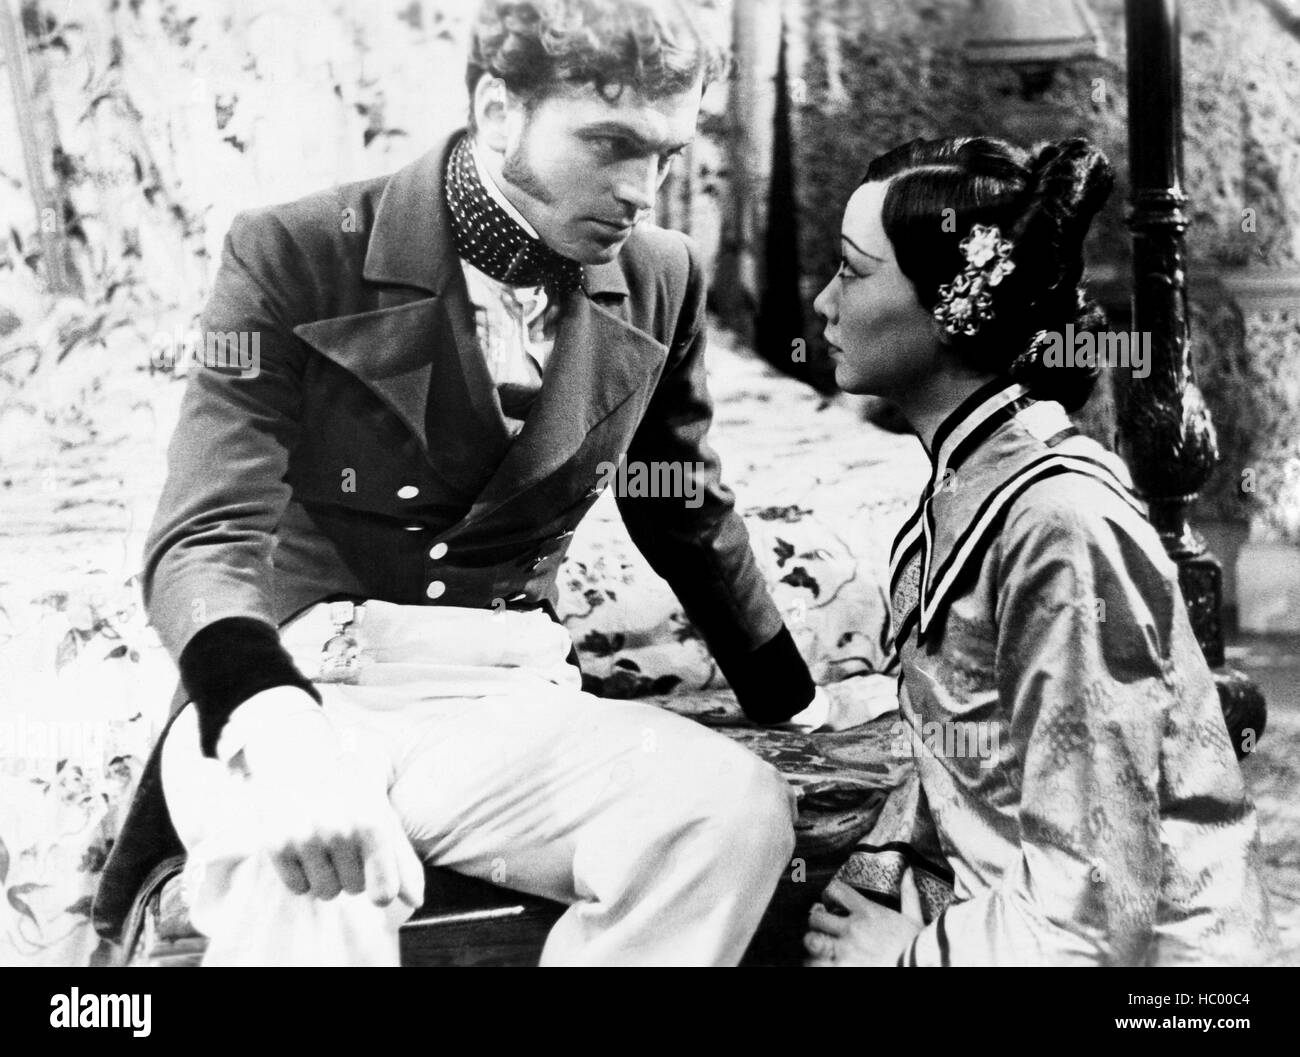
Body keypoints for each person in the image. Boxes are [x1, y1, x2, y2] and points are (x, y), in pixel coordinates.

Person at [93, 0, 836, 967]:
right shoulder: (296, 250)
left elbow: (677, 501)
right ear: (496, 109)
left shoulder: (664, 274)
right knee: (312, 876)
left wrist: (793, 700)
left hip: (501, 701)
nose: (641, 190)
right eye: (608, 143)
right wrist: (272, 723)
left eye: (665, 154)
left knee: (731, 811)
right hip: (306, 686)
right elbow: (205, 532)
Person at [802, 135, 1278, 966]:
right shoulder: (972, 482)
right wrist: (884, 874)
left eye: (850, 269)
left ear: (955, 305)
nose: (821, 303)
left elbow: (1102, 903)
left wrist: (907, 956)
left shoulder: (1059, 523)